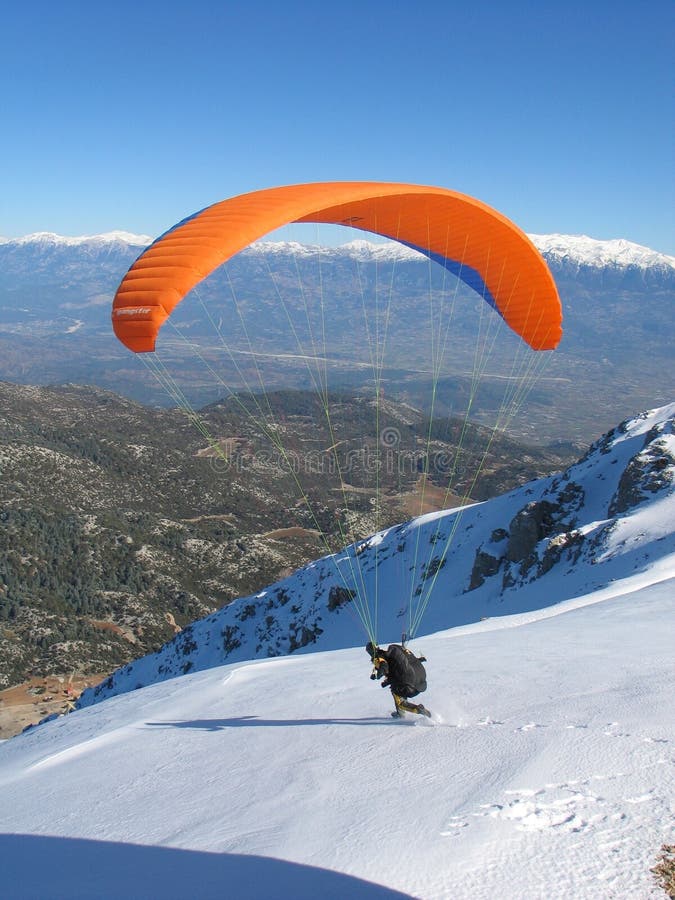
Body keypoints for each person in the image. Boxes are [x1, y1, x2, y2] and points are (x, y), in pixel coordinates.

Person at [366, 641, 431, 718]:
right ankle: (401, 713)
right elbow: (395, 670)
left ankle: (417, 710)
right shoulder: (391, 654)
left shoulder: (379, 657)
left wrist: (378, 675)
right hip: (420, 685)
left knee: (398, 697)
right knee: (398, 688)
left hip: (408, 685)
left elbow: (384, 667)